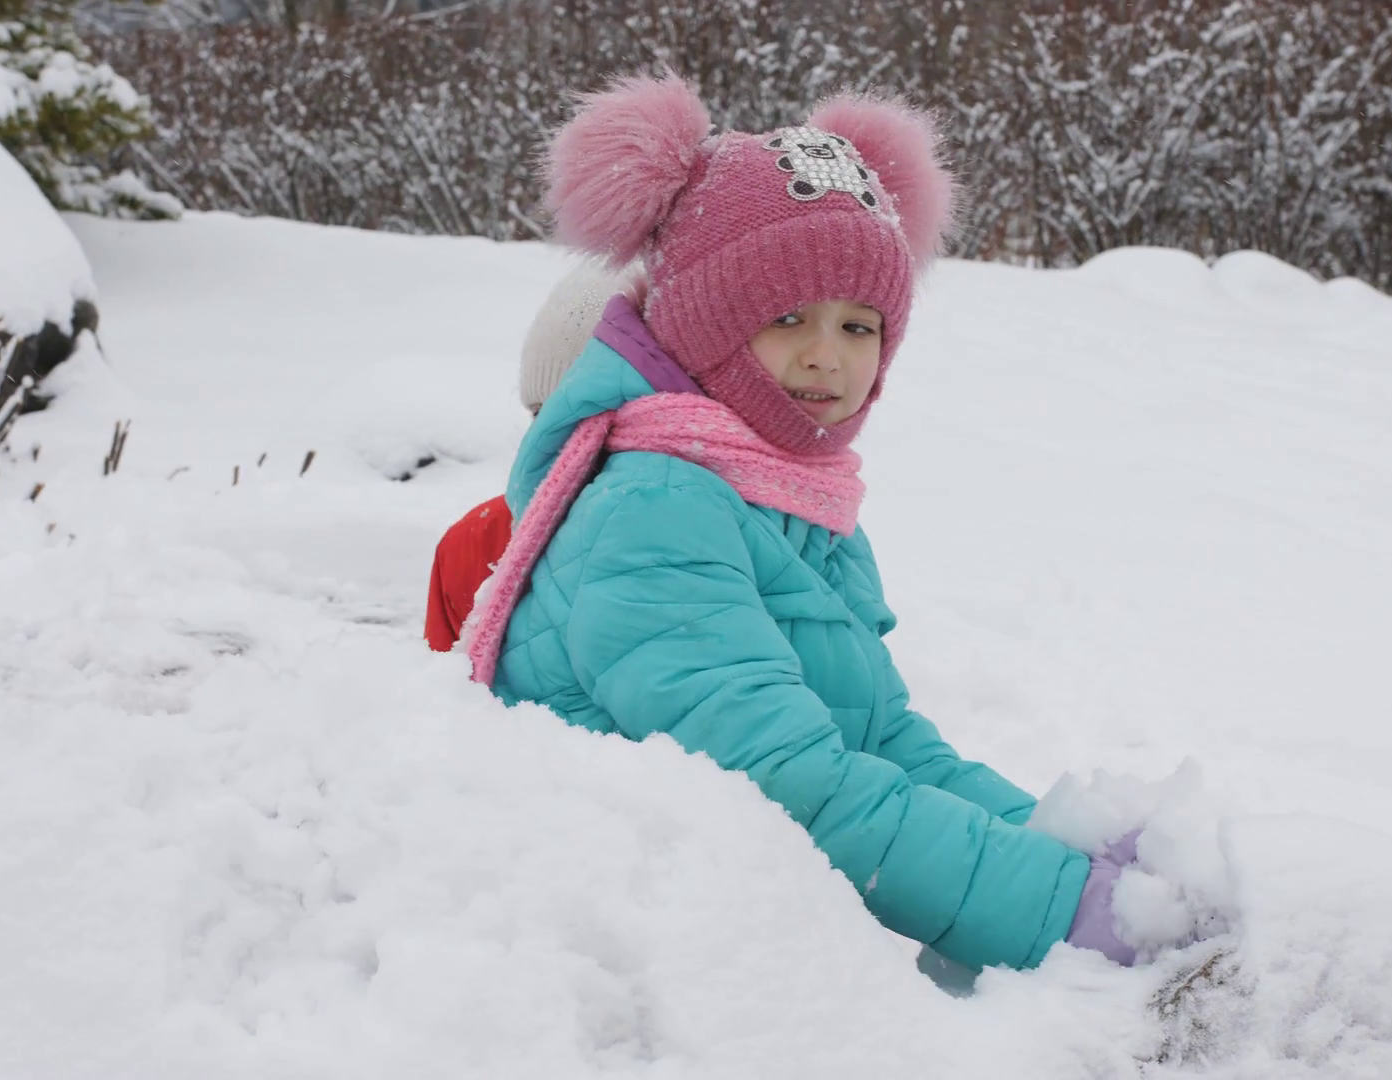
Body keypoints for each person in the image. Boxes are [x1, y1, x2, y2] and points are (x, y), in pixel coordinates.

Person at [461, 75, 1140, 976]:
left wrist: (1075, 855)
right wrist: (1066, 917)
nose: (830, 356)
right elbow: (786, 782)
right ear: (702, 320)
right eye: (787, 318)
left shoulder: (784, 491)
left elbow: (882, 738)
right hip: (620, 954)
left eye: (861, 326)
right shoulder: (655, 507)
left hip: (732, 916)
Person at [424, 258, 639, 652]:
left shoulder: (748, 536)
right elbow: (439, 705)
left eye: (598, 420)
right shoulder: (473, 544)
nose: (564, 446)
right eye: (544, 418)